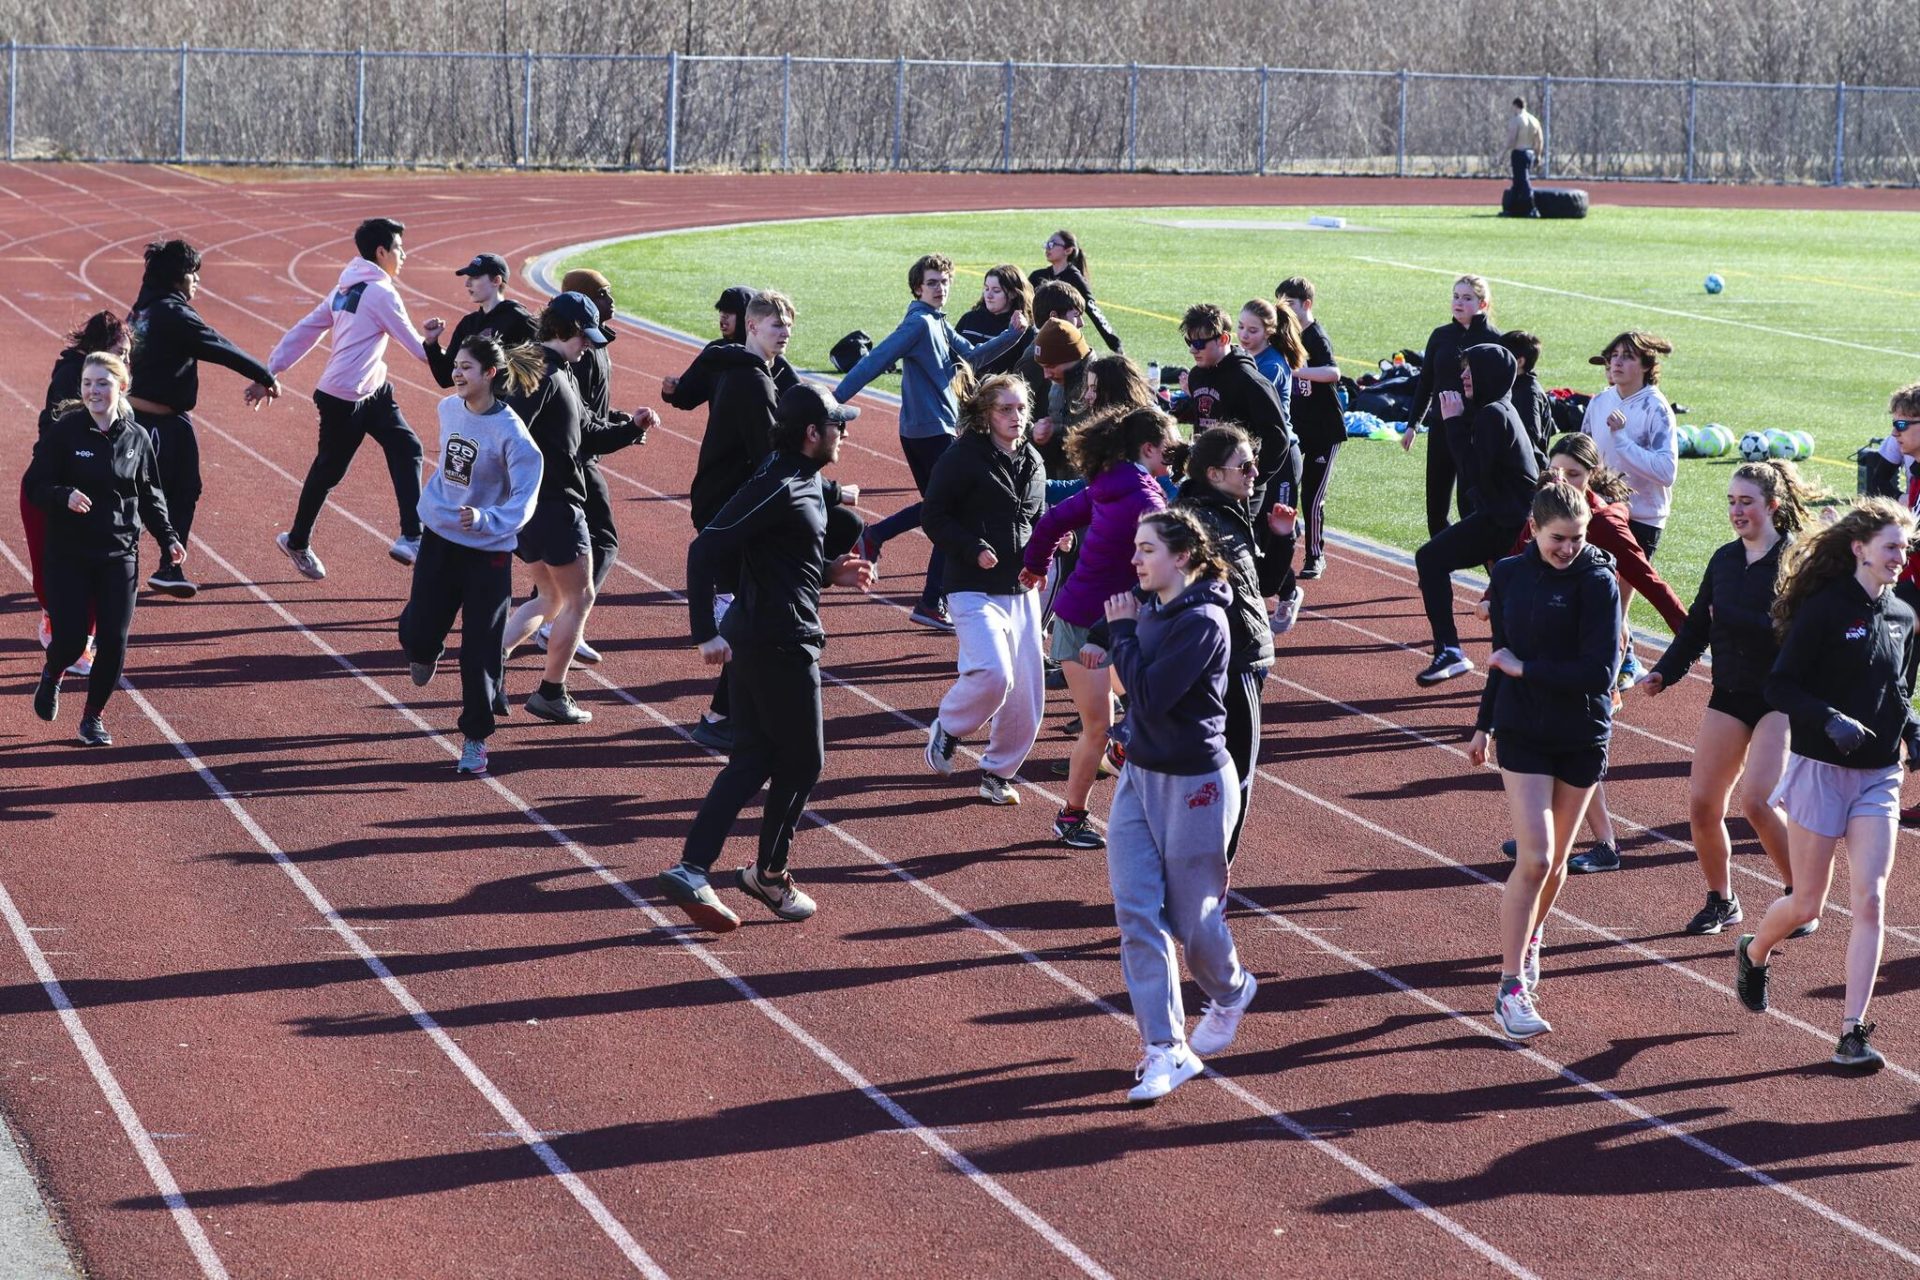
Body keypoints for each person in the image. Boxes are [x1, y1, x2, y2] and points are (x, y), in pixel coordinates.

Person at [660, 384, 875, 932]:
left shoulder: (803, 481)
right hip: (777, 641)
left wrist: (831, 573)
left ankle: (693, 868)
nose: (844, 432)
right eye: (837, 425)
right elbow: (705, 546)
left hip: (771, 635)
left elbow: (779, 557)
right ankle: (770, 875)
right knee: (804, 762)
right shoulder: (778, 482)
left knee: (754, 758)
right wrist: (703, 632)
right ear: (812, 434)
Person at [1736, 499, 1920, 1074]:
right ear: (1860, 548)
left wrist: (1913, 730)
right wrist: (1827, 720)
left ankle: (1851, 1032)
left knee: (1870, 897)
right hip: (1820, 770)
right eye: (1892, 546)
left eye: (1906, 548)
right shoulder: (1823, 610)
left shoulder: (1905, 617)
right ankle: (1755, 949)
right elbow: (1780, 686)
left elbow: (1897, 690)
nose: (1901, 557)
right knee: (1807, 902)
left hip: (1879, 777)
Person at [1103, 508, 1255, 1102]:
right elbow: (1122, 660)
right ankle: (1164, 1048)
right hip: (1140, 779)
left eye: (1146, 550)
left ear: (1183, 557)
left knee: (1195, 926)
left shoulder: (1205, 622)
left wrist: (1118, 634)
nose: (1135, 560)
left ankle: (1232, 988)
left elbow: (1151, 693)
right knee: (1136, 912)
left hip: (1195, 786)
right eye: (1136, 548)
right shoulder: (1155, 610)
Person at [1491, 432, 1688, 874]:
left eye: (1574, 474)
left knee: (1582, 736)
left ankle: (1603, 844)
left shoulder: (1598, 524)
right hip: (1552, 642)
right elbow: (1519, 560)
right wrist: (1493, 596)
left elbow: (1646, 575)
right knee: (1566, 737)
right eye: (1556, 471)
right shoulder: (1547, 510)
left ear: (1591, 476)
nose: (1562, 480)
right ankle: (1552, 834)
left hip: (1597, 649)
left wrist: (1688, 632)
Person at [1468, 480, 1620, 1040]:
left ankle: (1531, 935)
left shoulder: (1598, 581)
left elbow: (1598, 673)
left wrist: (1525, 671)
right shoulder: (1507, 576)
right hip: (1524, 729)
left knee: (1555, 866)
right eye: (1559, 538)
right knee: (1536, 856)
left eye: (1578, 538)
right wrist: (1484, 723)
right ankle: (1510, 988)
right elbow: (1499, 658)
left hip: (1581, 733)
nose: (1569, 548)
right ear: (1534, 529)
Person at [1644, 461, 1820, 934]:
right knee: (1702, 804)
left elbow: (1805, 636)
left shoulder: (1793, 565)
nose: (1736, 510)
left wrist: (1740, 620)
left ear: (1773, 506)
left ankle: (1800, 896)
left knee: (1758, 801)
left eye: (1746, 502)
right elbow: (1698, 623)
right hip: (1730, 693)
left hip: (1779, 698)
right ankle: (1722, 900)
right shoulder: (1723, 559)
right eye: (1731, 501)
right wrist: (1665, 671)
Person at [832, 253, 1029, 630]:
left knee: (940, 511)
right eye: (933, 283)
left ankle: (879, 541)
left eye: (945, 282)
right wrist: (835, 400)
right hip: (929, 431)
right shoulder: (920, 323)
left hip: (929, 428)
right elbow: (877, 359)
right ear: (918, 287)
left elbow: (971, 355)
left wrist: (1012, 333)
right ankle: (927, 598)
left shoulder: (938, 322)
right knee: (950, 514)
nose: (941, 289)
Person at [1021, 405, 1173, 849]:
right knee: (1098, 726)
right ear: (1148, 449)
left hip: (1113, 622)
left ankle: (1120, 754)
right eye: (1170, 446)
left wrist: (1036, 565)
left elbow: (1052, 521)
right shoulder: (1146, 499)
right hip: (1087, 625)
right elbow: (1160, 563)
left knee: (1146, 707)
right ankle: (1071, 816)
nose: (1176, 452)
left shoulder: (1109, 484)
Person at [399, 337, 545, 778]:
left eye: (466, 367)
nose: (457, 374)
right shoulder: (448, 409)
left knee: (480, 650)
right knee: (418, 632)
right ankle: (425, 651)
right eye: (456, 366)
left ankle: (475, 738)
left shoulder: (514, 436)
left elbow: (526, 500)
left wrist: (486, 518)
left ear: (490, 374)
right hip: (441, 538)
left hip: (488, 554)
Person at [24, 353, 184, 747]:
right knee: (73, 639)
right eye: (87, 383)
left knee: (114, 640)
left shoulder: (137, 438)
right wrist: (63, 495)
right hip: (69, 554)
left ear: (121, 387)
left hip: (119, 555)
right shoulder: (64, 433)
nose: (93, 391)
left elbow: (150, 495)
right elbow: (35, 486)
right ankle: (53, 673)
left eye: (102, 383)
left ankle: (92, 718)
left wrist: (168, 538)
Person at [265, 216, 431, 577]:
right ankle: (296, 540)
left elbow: (304, 330)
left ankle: (411, 536)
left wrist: (272, 368)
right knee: (329, 471)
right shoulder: (380, 292)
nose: (405, 255)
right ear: (382, 251)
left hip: (374, 391)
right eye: (400, 249)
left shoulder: (345, 288)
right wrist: (459, 364)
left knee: (407, 447)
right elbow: (418, 349)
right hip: (342, 396)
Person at [920, 375, 1049, 804]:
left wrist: (1051, 545)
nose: (1016, 417)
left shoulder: (1033, 459)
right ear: (985, 414)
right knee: (995, 674)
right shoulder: (961, 458)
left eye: (1020, 409)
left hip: (1022, 588)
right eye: (1005, 409)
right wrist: (972, 548)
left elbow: (1035, 516)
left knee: (1027, 696)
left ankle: (997, 774)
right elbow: (934, 516)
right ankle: (950, 727)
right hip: (972, 587)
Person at [126, 238, 279, 598]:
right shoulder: (173, 314)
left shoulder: (145, 307)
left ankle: (168, 564)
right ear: (179, 276)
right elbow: (217, 345)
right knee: (148, 494)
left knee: (179, 489)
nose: (198, 281)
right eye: (194, 274)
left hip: (165, 420)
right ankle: (143, 564)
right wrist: (265, 375)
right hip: (155, 422)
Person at [687, 290, 805, 751]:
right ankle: (722, 715)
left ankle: (729, 713)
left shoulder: (766, 372)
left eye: (790, 328)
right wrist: (825, 490)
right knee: (749, 613)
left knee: (751, 610)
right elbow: (768, 455)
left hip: (736, 507)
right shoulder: (751, 381)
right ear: (752, 326)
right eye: (777, 326)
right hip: (731, 512)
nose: (785, 334)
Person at [498, 292, 619, 726]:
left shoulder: (551, 368)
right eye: (583, 337)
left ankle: (491, 666)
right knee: (579, 597)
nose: (588, 345)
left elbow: (581, 431)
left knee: (549, 597)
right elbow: (511, 435)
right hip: (553, 505)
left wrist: (628, 430)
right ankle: (551, 692)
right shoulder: (543, 374)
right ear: (563, 330)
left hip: (537, 506)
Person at [1176, 425, 1289, 863]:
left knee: (1210, 776)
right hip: (1232, 664)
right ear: (1213, 473)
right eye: (1244, 466)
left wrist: (1281, 538)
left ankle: (1195, 877)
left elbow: (1263, 587)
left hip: (1236, 659)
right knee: (1235, 776)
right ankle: (1209, 881)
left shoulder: (1223, 512)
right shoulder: (1199, 521)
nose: (1254, 473)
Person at [1415, 344, 1539, 685]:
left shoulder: (1493, 415)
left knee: (1430, 559)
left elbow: (1472, 472)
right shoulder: (1497, 409)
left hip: (1505, 522)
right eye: (1464, 368)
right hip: (1506, 517)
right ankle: (1515, 676)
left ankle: (1450, 650)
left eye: (1472, 369)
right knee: (1505, 601)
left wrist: (1453, 422)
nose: (1465, 375)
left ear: (1491, 374)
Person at [546, 266, 652, 666]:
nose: (613, 301)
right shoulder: (580, 354)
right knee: (603, 539)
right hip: (578, 460)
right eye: (604, 294)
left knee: (571, 549)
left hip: (584, 453)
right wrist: (620, 428)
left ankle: (555, 616)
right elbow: (583, 416)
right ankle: (565, 619)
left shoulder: (596, 343)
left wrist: (623, 424)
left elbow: (593, 412)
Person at [1175, 303, 1301, 629]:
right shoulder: (1201, 373)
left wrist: (1254, 478)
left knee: (1236, 551)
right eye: (1189, 342)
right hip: (1207, 479)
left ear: (1224, 339)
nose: (1194, 349)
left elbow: (1278, 437)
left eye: (1200, 343)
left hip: (1241, 484)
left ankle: (1250, 617)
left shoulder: (1249, 380)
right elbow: (1205, 418)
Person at [26, 311, 131, 663]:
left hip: (100, 496)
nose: (127, 360)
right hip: (56, 488)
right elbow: (52, 431)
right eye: (121, 351)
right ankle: (55, 617)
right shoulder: (72, 378)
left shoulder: (117, 390)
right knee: (52, 572)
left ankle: (83, 640)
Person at [1404, 276, 1501, 537]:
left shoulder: (1493, 339)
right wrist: (1413, 424)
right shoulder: (1440, 336)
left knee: (1470, 505)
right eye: (1456, 296)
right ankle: (1439, 570)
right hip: (1440, 427)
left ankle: (1491, 571)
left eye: (1467, 298)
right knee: (1436, 505)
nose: (1459, 302)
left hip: (1474, 431)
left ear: (1483, 303)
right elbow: (1426, 383)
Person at [1275, 279, 1346, 582]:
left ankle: (1315, 556)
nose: (1283, 309)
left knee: (1313, 498)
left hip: (1325, 431)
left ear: (1306, 305)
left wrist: (1297, 371)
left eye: (1289, 303)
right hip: (1296, 428)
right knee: (1284, 487)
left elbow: (1333, 372)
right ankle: (1289, 538)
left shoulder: (1315, 336)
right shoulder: (1283, 333)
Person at [421, 252, 537, 388]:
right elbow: (446, 377)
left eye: (474, 277)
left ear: (496, 281)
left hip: (508, 407)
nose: (467, 283)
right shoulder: (468, 324)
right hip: (475, 407)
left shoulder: (520, 319)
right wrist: (431, 344)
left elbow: (539, 370)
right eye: (468, 277)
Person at [661, 285, 754, 411]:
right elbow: (688, 396)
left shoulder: (764, 353)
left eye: (730, 311)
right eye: (721, 310)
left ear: (747, 316)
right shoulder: (716, 352)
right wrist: (672, 391)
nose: (723, 316)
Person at [1028, 229, 1121, 353]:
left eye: (1052, 244)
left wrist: (1116, 345)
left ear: (1068, 250)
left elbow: (1094, 312)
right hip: (1040, 338)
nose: (1047, 248)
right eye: (1047, 244)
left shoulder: (1075, 279)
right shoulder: (1037, 276)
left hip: (1066, 339)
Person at [956, 265, 1033, 376]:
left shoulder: (1021, 328)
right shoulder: (969, 319)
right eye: (986, 289)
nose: (989, 295)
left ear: (1013, 294)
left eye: (996, 291)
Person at [1498, 330, 1554, 462]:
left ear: (1519, 362)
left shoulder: (1529, 395)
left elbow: (1529, 442)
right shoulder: (1511, 387)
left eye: (1502, 355)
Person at [1506, 97, 1545, 215]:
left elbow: (1512, 139)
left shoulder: (1517, 120)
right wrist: (1538, 155)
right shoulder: (1534, 120)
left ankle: (1532, 208)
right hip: (1530, 152)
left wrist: (1504, 153)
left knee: (1524, 180)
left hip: (1519, 152)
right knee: (1517, 181)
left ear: (1515, 106)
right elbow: (1540, 140)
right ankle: (1511, 209)